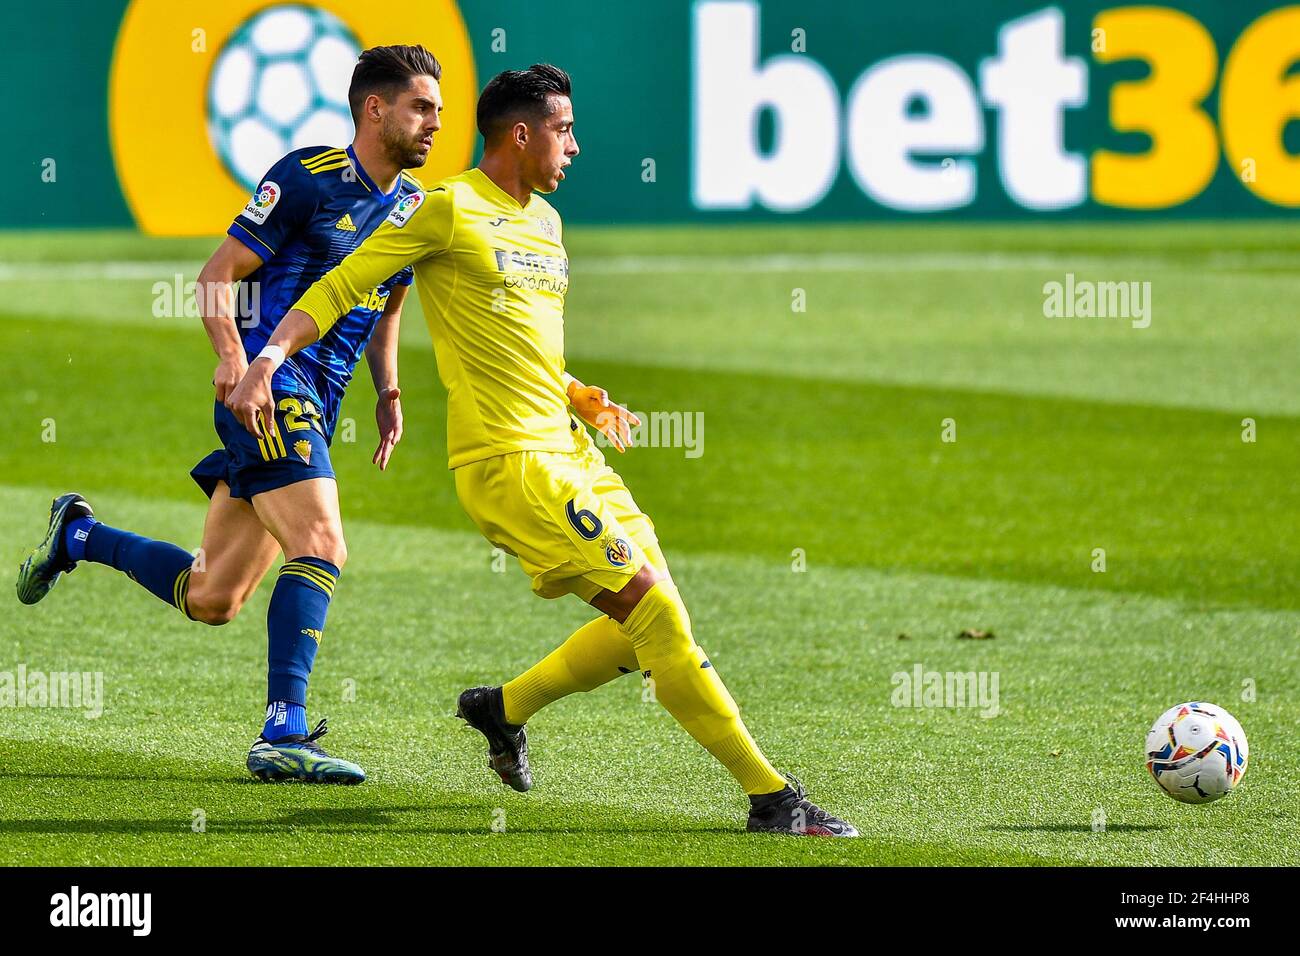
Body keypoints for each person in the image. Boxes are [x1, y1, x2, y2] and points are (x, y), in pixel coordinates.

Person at [226, 64, 857, 834]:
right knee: (654, 615)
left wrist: (576, 391)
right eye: (563, 130)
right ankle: (772, 798)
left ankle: (503, 709)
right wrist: (263, 361)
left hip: (573, 451)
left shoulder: (548, 226)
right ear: (520, 135)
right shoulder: (445, 209)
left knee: (655, 627)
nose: (576, 147)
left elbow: (522, 344)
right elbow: (337, 287)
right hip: (509, 465)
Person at [17, 44, 446, 785]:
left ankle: (79, 534)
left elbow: (387, 303)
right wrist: (229, 356)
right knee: (321, 541)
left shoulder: (411, 206)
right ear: (375, 109)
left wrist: (389, 390)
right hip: (269, 390)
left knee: (213, 597)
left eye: (438, 110)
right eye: (422, 107)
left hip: (318, 396)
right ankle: (283, 730)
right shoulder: (307, 181)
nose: (436, 123)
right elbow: (219, 274)